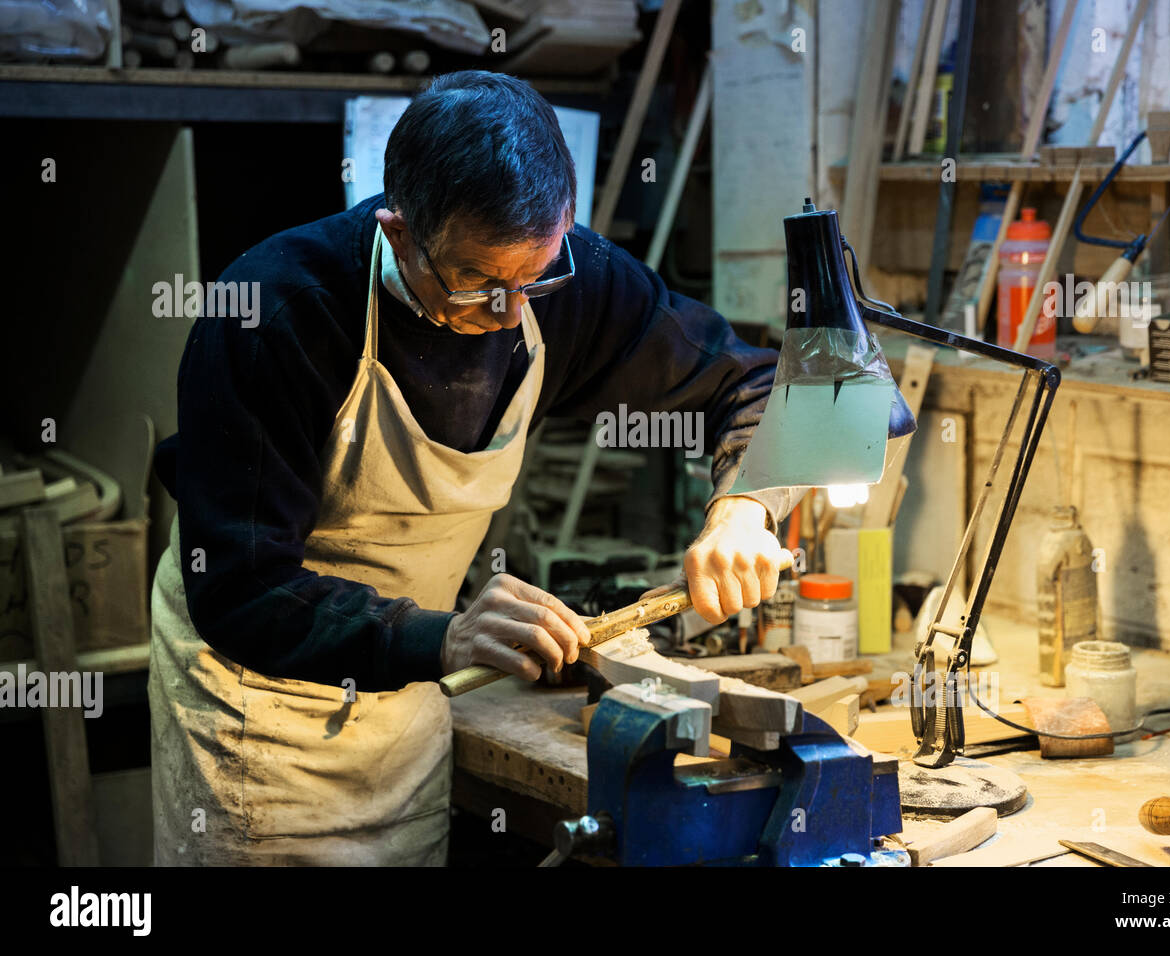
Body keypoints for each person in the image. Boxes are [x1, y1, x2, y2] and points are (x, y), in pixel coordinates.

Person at [148, 70, 797, 865]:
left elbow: (755, 385)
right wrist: (442, 637)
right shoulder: (273, 313)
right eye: (475, 281)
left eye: (534, 277)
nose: (508, 312)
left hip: (413, 697)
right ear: (397, 232)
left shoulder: (561, 279)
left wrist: (744, 506)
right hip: (260, 717)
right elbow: (242, 588)